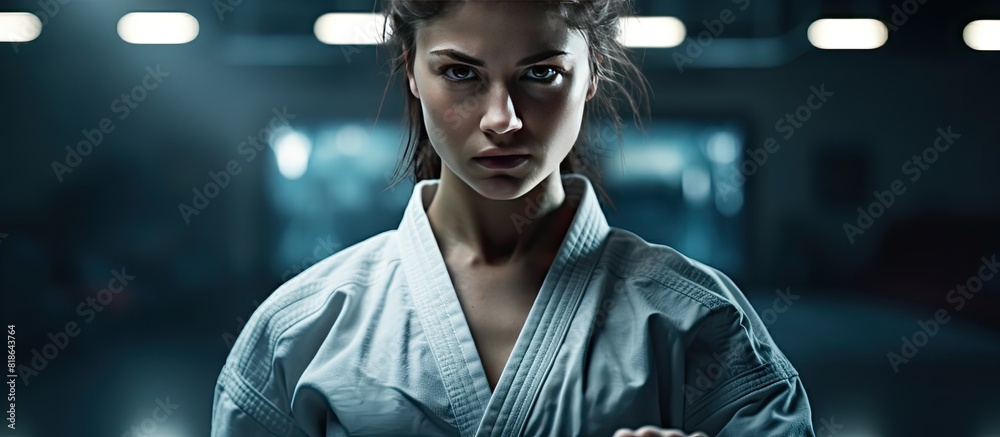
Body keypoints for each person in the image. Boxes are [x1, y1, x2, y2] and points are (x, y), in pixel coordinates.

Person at [211, 0, 816, 435]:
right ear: (411, 74)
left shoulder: (693, 320)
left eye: (541, 74)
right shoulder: (302, 331)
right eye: (460, 73)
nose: (502, 118)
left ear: (591, 76)